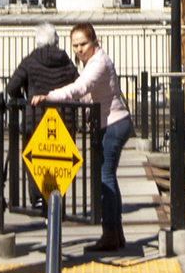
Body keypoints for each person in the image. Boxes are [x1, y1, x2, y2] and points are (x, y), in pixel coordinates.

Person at [35, 22, 132, 253]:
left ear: (94, 41)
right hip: (110, 123)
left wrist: (49, 96)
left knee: (105, 178)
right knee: (107, 177)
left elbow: (81, 87)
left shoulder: (98, 62)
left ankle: (110, 233)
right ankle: (115, 233)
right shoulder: (93, 61)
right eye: (75, 45)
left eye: (83, 44)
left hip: (113, 124)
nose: (79, 49)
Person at [7, 21, 78, 104]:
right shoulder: (66, 62)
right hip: (64, 113)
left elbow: (12, 87)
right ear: (56, 39)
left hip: (35, 113)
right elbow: (79, 85)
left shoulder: (29, 62)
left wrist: (24, 103)